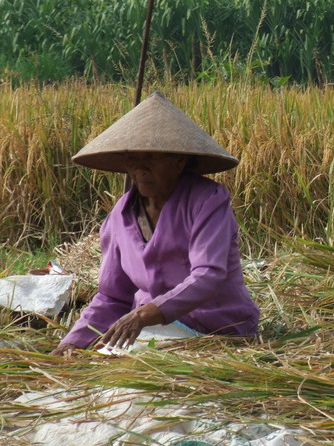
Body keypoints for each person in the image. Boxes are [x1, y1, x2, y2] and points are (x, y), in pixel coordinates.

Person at [53, 92, 259, 356]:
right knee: (104, 366)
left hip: (216, 329)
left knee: (130, 366)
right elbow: (112, 296)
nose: (141, 169)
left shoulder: (207, 200)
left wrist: (144, 315)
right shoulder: (121, 215)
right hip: (153, 330)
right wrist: (72, 342)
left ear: (179, 162)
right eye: (133, 159)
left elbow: (209, 274)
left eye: (151, 157)